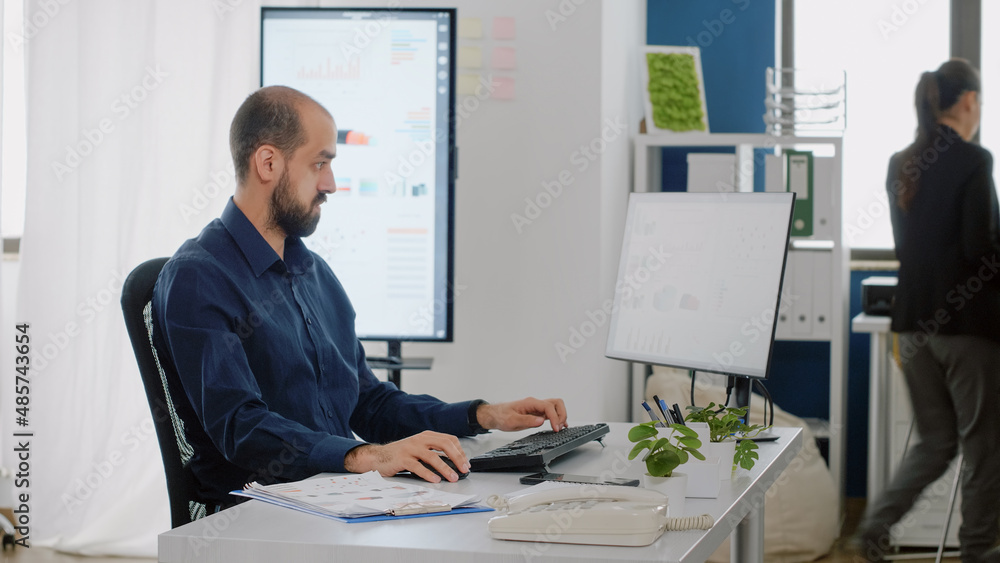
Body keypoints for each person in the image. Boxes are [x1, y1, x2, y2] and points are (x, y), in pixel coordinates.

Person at [152, 85, 567, 509]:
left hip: (337, 501)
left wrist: (483, 416)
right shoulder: (198, 277)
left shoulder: (314, 273)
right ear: (268, 162)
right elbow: (240, 426)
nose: (330, 183)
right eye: (319, 163)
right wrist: (365, 455)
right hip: (261, 514)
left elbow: (367, 402)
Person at [853, 59, 1000, 563]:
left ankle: (872, 529)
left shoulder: (902, 162)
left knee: (936, 443)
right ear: (968, 102)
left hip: (911, 327)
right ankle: (979, 551)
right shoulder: (975, 162)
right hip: (965, 330)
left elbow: (910, 247)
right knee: (984, 450)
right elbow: (981, 250)